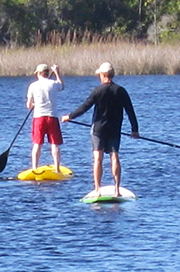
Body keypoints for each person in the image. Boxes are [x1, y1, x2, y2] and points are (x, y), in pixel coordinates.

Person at [61, 62, 139, 197]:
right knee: (114, 156)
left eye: (100, 75)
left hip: (98, 129)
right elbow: (130, 111)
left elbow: (85, 107)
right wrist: (135, 130)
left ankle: (97, 190)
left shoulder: (97, 91)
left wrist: (69, 116)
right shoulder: (121, 91)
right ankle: (117, 190)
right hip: (114, 129)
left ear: (103, 75)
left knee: (98, 158)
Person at [26, 63, 65, 172]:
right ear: (47, 73)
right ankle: (57, 169)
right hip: (52, 117)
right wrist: (57, 72)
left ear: (38, 73)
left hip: (39, 118)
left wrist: (33, 105)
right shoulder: (53, 84)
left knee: (37, 144)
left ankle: (34, 168)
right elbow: (62, 86)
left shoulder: (33, 86)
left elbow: (29, 105)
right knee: (54, 144)